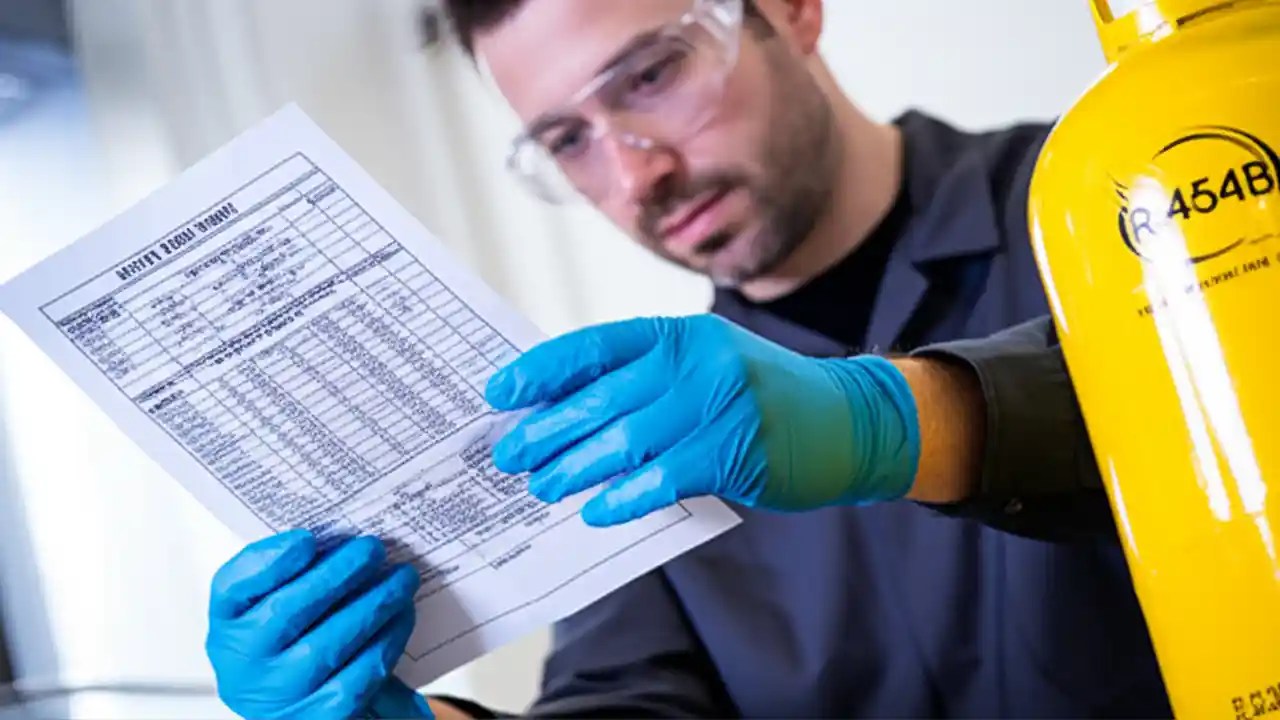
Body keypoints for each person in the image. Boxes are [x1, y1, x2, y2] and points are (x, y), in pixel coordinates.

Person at [203, 1, 1173, 717]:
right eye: (566, 140)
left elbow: (1234, 414)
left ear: (789, 13)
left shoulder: (1114, 199)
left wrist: (895, 419)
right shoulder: (634, 429)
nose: (634, 173)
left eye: (650, 76)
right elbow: (623, 704)